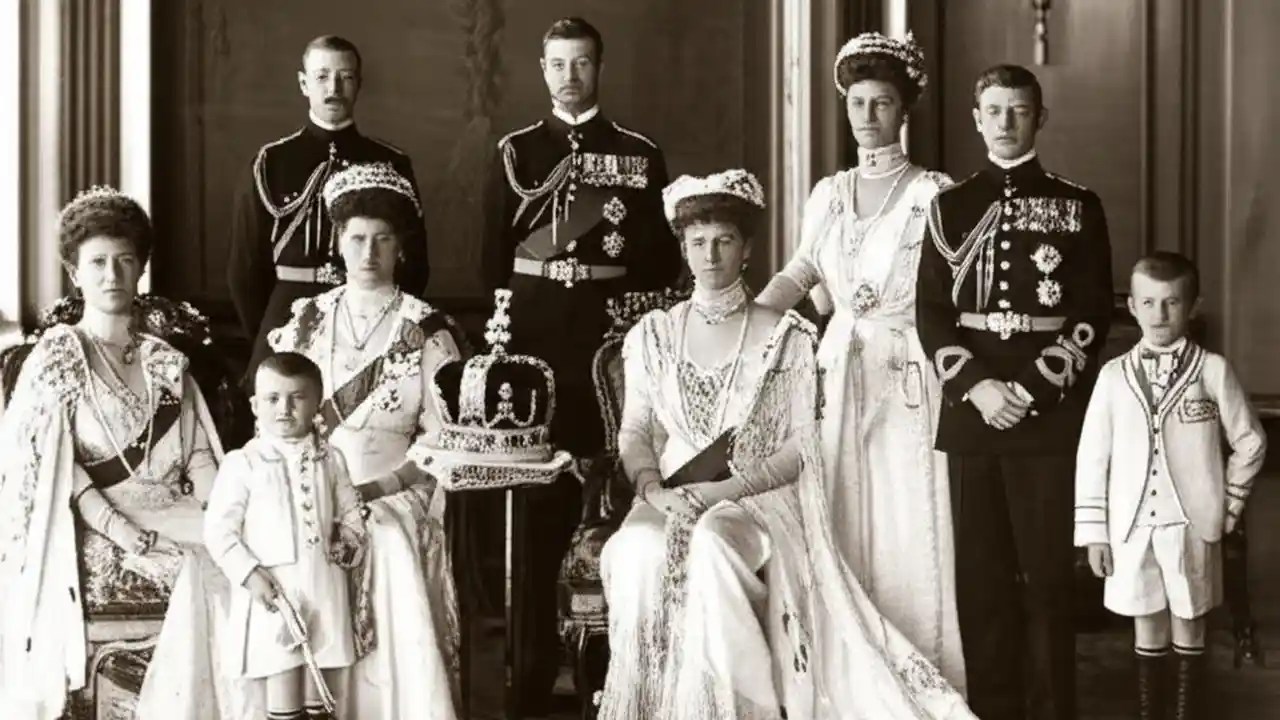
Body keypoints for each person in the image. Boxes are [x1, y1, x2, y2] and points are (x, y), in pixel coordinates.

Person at [598, 169, 975, 720]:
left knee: (713, 547)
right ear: (683, 248)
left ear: (747, 249)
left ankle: (736, 709)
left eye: (724, 240)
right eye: (698, 242)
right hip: (671, 495)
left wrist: (720, 492)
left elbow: (801, 447)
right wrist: (654, 490)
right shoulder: (653, 334)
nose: (710, 255)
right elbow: (635, 431)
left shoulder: (786, 335)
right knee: (635, 551)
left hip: (755, 498)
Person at [483, 16, 682, 712]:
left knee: (615, 508)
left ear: (600, 67)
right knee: (535, 516)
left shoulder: (637, 153)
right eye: (559, 64)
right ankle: (532, 675)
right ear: (543, 70)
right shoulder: (515, 152)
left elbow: (658, 263)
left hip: (609, 348)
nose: (571, 76)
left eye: (583, 63)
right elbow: (492, 262)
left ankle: (616, 674)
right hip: (534, 351)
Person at [0, 187, 259, 718]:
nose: (111, 275)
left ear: (141, 268)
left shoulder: (165, 360)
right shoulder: (57, 357)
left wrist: (226, 519)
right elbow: (53, 469)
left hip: (177, 511)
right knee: (194, 571)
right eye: (97, 263)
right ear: (74, 273)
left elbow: (197, 457)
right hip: (99, 521)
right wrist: (119, 529)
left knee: (250, 564)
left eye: (124, 261)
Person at [755, 31, 963, 689]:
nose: (868, 116)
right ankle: (845, 678)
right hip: (837, 375)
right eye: (857, 103)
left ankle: (917, 675)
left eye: (882, 103)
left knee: (907, 525)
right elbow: (802, 272)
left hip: (908, 375)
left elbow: (953, 295)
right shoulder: (829, 193)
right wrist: (747, 321)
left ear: (904, 111)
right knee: (838, 518)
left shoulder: (934, 194)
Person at [915, 64, 1115, 720]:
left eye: (1019, 111)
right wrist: (977, 388)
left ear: (1039, 118)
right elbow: (931, 314)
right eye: (994, 111)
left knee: (1049, 582)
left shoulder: (1078, 205)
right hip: (972, 417)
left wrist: (1029, 390)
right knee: (981, 583)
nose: (1005, 123)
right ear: (976, 119)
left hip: (1046, 418)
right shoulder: (949, 206)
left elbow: (1090, 313)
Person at [269, 161, 466, 719]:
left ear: (400, 247)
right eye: (357, 238)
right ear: (338, 242)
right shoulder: (306, 321)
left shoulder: (427, 330)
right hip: (312, 483)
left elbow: (441, 444)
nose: (369, 252)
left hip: (394, 489)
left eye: (382, 239)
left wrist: (376, 489)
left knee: (380, 534)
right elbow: (278, 421)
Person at [1075, 253, 1266, 720]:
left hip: (1191, 523)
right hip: (1132, 524)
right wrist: (1095, 533)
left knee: (1190, 618)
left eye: (1172, 303)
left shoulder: (1212, 370)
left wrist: (1229, 505)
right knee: (1146, 622)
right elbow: (1092, 458)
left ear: (1193, 306)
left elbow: (1251, 442)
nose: (1159, 315)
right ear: (1132, 307)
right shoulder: (1113, 376)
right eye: (1148, 303)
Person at [230, 34, 430, 379]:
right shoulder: (271, 162)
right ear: (303, 83)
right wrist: (270, 329)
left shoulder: (391, 162)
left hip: (372, 316)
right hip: (288, 315)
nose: (333, 88)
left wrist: (389, 318)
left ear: (359, 84)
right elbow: (245, 270)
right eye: (322, 76)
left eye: (345, 77)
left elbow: (415, 263)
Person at [205, 352, 368, 720]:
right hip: (275, 592)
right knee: (282, 675)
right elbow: (219, 531)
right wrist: (249, 573)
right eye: (273, 398)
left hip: (323, 586)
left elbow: (351, 513)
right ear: (255, 405)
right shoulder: (243, 463)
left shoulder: (332, 459)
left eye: (297, 398)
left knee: (320, 683)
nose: (284, 408)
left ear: (317, 404)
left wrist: (349, 541)